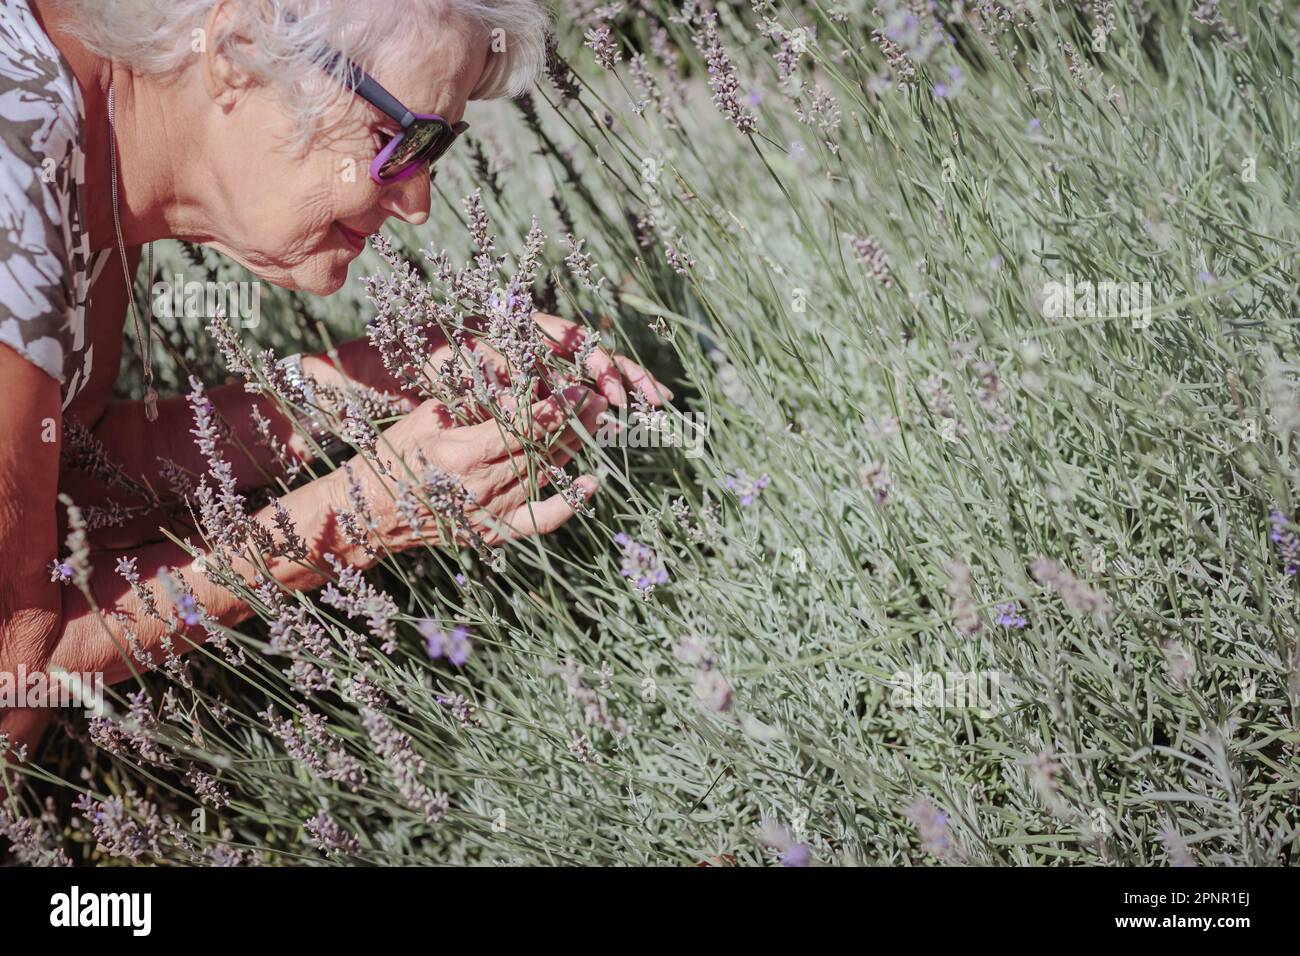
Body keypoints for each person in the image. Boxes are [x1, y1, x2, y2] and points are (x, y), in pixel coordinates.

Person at [0, 0, 671, 753]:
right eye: (398, 141)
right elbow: (15, 665)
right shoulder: (15, 171)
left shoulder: (85, 127)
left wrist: (412, 368)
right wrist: (361, 515)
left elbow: (73, 470)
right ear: (237, 51)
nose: (416, 201)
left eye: (436, 149)